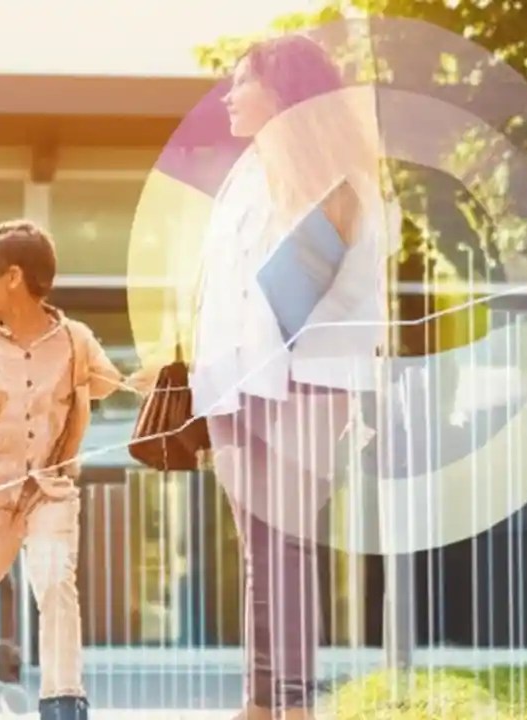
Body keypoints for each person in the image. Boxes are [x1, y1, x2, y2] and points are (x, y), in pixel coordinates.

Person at [186, 33, 393, 720]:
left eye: (241, 81)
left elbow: (293, 291)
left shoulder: (338, 175)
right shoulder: (246, 175)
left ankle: (295, 704)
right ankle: (260, 700)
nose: (228, 96)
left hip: (308, 380)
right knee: (260, 553)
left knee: (290, 546)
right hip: (235, 383)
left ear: (283, 91)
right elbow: (224, 290)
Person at [0, 219, 145, 720]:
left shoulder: (75, 340)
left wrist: (160, 378)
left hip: (49, 488)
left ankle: (63, 699)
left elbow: (115, 384)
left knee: (53, 581)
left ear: (13, 278)